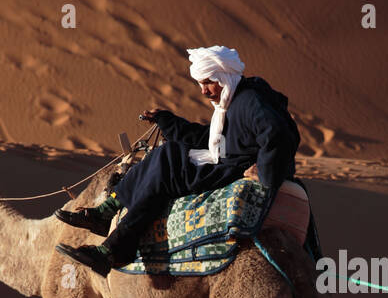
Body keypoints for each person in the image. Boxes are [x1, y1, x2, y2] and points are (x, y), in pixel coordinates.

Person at [55, 45, 301, 276]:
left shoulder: (249, 102)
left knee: (163, 172)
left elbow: (278, 134)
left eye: (207, 83)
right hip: (223, 161)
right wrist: (168, 121)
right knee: (167, 153)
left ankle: (113, 247)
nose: (204, 91)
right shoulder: (232, 102)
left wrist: (266, 172)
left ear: (223, 76)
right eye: (200, 84)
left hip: (231, 170)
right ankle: (106, 214)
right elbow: (211, 138)